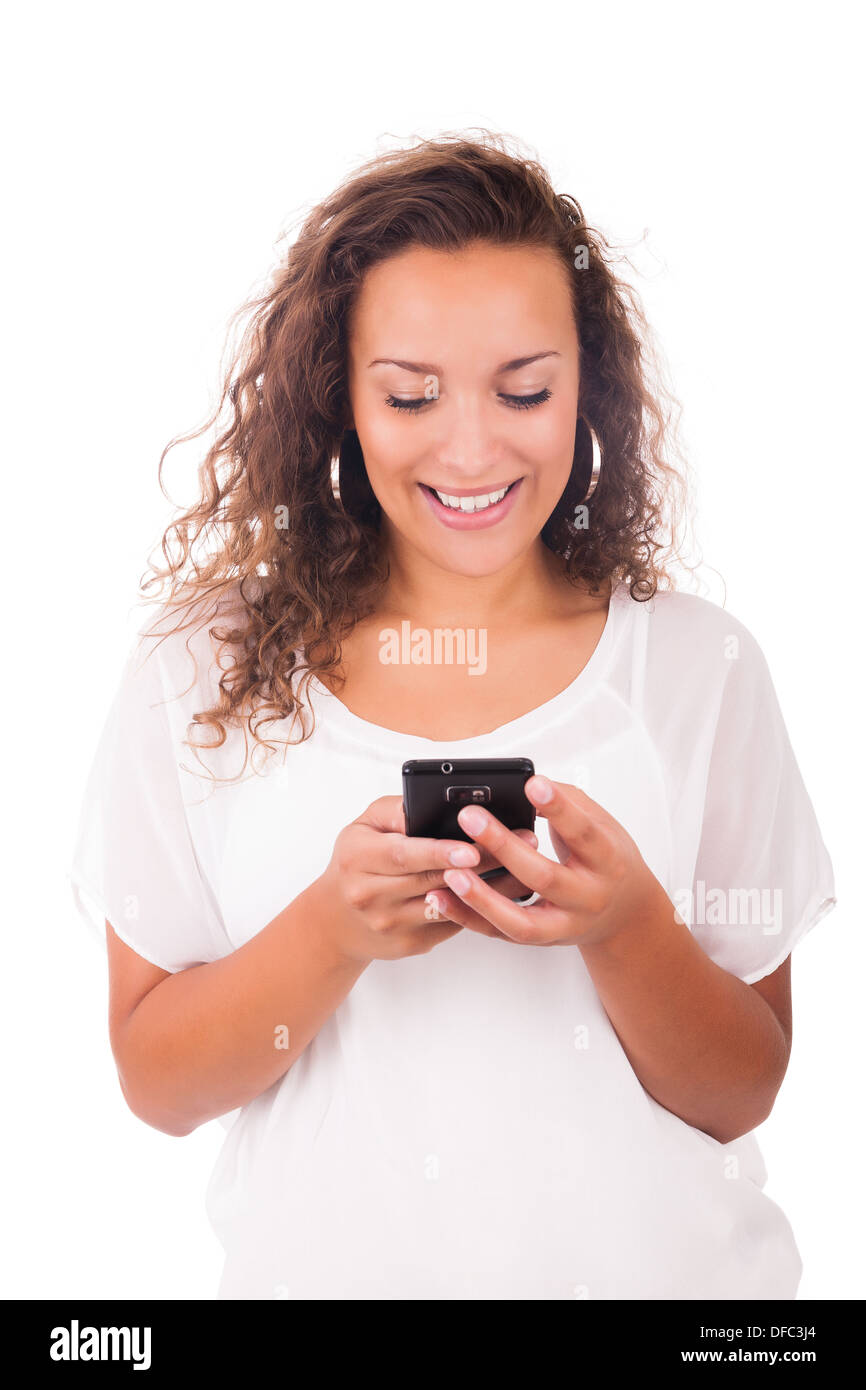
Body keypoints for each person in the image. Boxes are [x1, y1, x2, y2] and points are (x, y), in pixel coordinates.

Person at [69, 132, 836, 1300]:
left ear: (590, 387)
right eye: (411, 394)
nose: (471, 448)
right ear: (341, 399)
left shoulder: (696, 672)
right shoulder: (201, 671)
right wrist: (326, 931)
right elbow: (158, 1088)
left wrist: (624, 927)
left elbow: (738, 1093)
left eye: (523, 389)